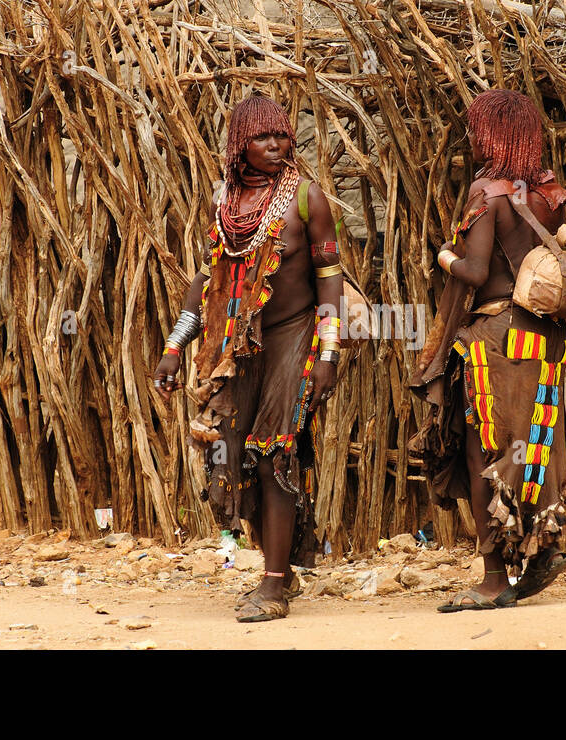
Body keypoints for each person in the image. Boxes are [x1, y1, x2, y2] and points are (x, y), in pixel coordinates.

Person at [154, 94, 343, 622]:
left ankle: (275, 585)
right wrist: (175, 347)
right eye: (263, 137)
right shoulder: (227, 203)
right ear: (241, 144)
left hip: (293, 337)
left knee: (275, 452)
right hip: (237, 347)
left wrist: (328, 353)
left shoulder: (308, 198)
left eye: (282, 135)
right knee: (231, 456)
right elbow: (207, 282)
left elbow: (330, 281)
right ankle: (277, 565)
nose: (277, 144)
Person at [409, 89, 566, 612]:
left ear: (495, 134)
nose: (473, 140)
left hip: (496, 339)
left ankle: (494, 576)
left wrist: (442, 256)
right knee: (534, 445)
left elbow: (477, 272)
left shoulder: (487, 192)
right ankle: (546, 540)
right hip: (544, 337)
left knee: (488, 453)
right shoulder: (550, 192)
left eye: (478, 130)